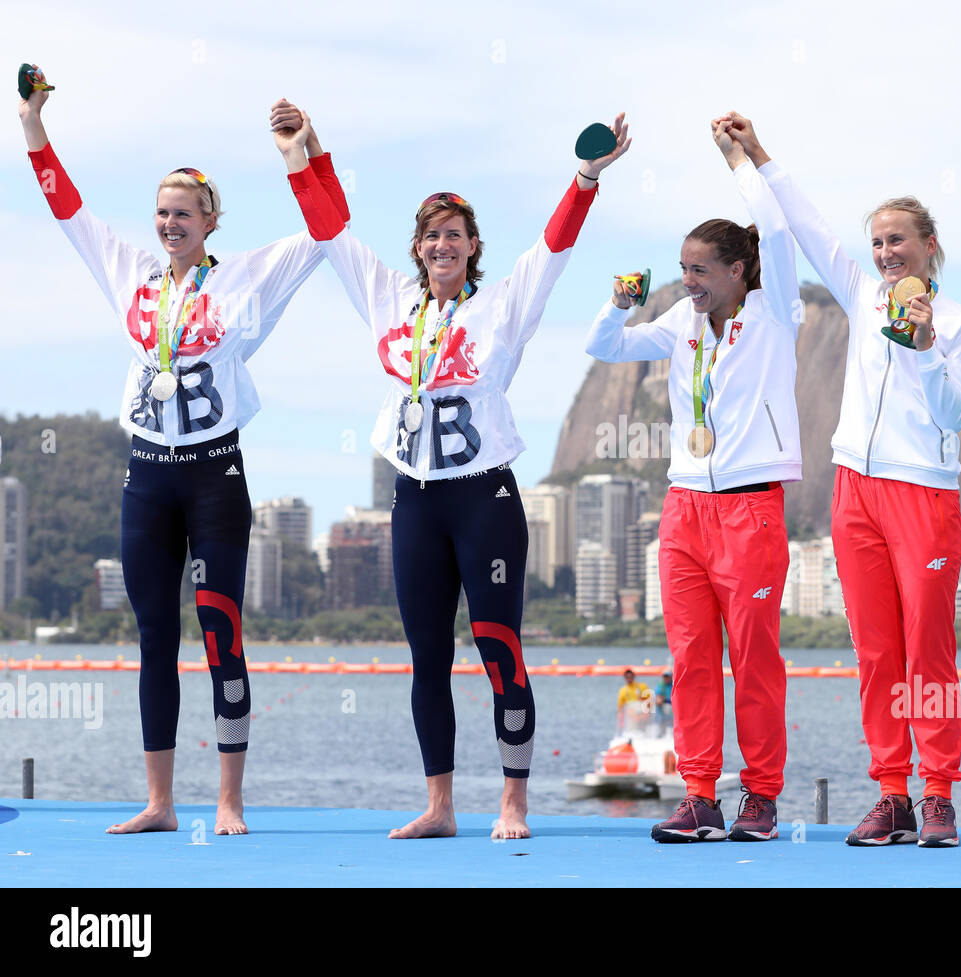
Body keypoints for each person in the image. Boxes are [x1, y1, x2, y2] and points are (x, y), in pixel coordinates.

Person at [281, 107, 629, 841]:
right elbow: (333, 232)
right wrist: (302, 154)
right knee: (426, 658)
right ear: (419, 247)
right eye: (432, 234)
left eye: (455, 234)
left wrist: (587, 176)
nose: (443, 244)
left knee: (498, 643)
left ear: (473, 248)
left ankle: (513, 802)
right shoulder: (391, 299)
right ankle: (439, 806)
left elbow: (555, 246)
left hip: (484, 497)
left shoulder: (502, 306)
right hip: (415, 498)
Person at [19, 91, 347, 835]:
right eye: (162, 213)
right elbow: (68, 212)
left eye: (184, 214)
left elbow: (329, 231)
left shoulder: (246, 280)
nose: (170, 225)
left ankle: (229, 799)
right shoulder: (130, 273)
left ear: (210, 221)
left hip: (214, 476)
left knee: (221, 632)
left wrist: (302, 154)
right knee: (152, 637)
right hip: (147, 476)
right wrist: (33, 125)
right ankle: (161, 803)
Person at [723, 113, 961, 848]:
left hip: (923, 494)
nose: (884, 251)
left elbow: (956, 412)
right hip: (854, 492)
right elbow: (806, 227)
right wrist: (755, 154)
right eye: (876, 242)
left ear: (929, 246)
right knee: (875, 651)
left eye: (898, 239)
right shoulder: (864, 297)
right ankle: (892, 792)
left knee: (926, 648)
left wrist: (926, 344)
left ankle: (938, 794)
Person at [586, 115, 801, 843]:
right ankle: (701, 794)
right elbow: (603, 344)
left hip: (750, 509)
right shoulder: (681, 319)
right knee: (691, 660)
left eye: (701, 269)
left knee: (755, 659)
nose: (689, 279)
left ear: (739, 270)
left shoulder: (777, 313)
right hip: (684, 511)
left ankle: (762, 797)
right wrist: (621, 299)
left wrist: (740, 159)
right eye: (684, 268)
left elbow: (775, 225)